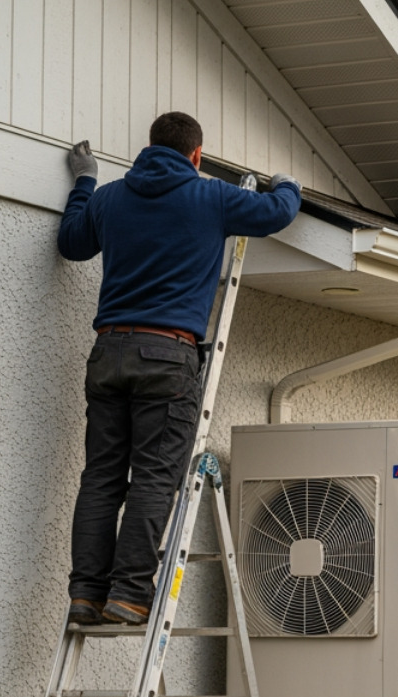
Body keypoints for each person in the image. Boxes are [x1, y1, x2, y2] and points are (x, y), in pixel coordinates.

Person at [59, 111, 302, 626]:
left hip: (108, 352)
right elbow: (277, 212)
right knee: (152, 477)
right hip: (167, 356)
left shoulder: (111, 197)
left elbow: (71, 243)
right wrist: (288, 183)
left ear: (149, 147)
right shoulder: (210, 197)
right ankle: (126, 595)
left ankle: (85, 595)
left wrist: (84, 180)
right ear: (196, 154)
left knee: (101, 478)